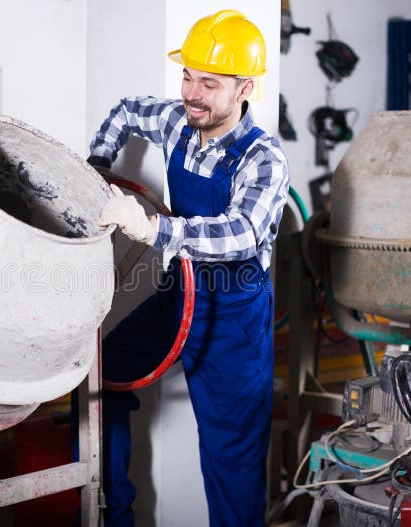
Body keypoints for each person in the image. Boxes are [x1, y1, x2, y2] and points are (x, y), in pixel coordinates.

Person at [88, 9, 290, 527]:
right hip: (180, 292)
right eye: (187, 76)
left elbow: (242, 233)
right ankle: (115, 517)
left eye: (210, 83)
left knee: (233, 456)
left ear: (244, 88)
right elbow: (127, 110)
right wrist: (96, 168)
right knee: (96, 376)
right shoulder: (179, 121)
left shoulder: (263, 158)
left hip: (234, 315)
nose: (192, 93)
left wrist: (153, 228)